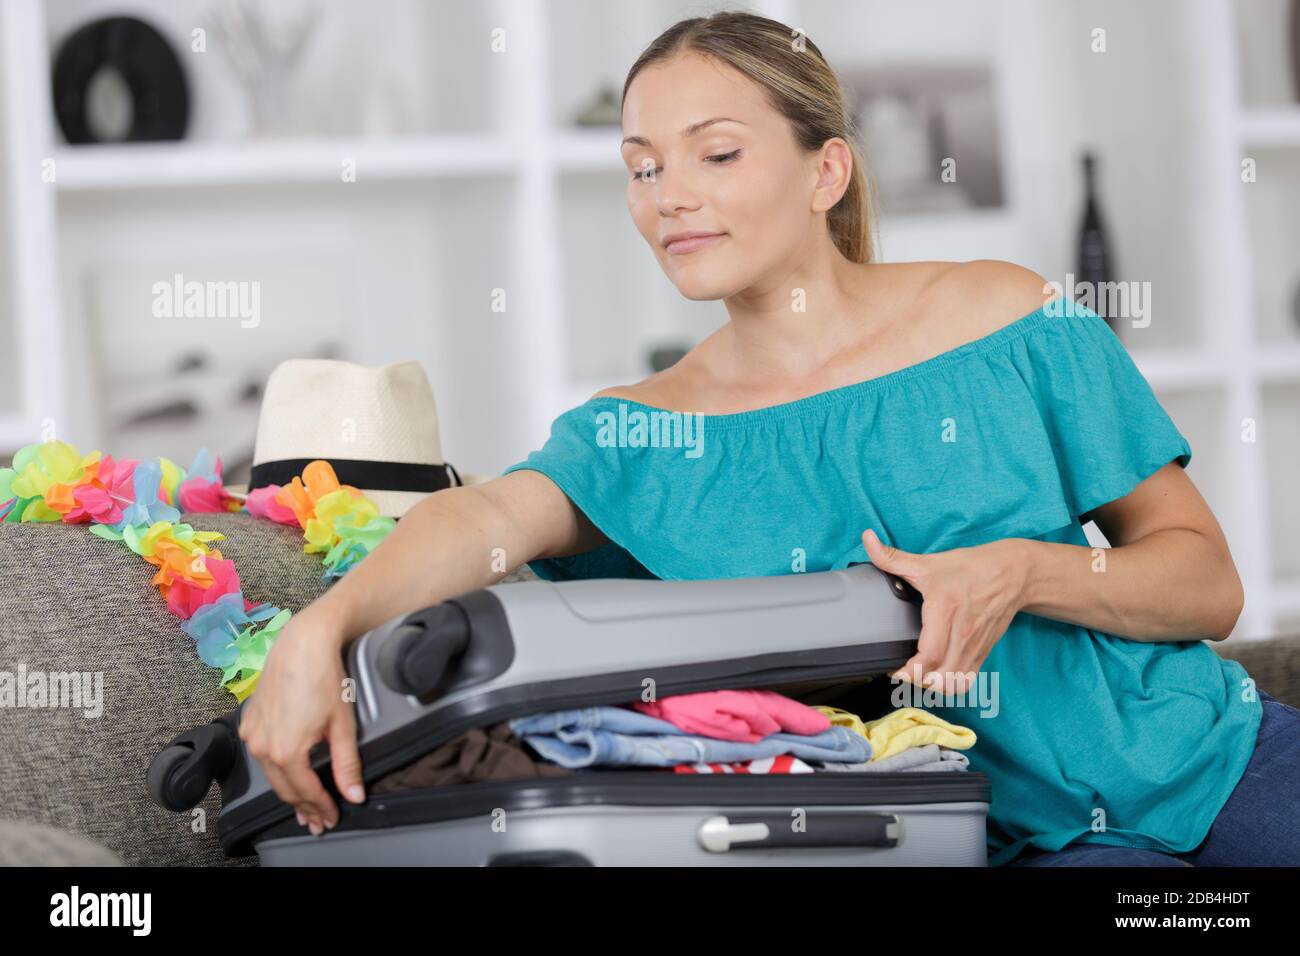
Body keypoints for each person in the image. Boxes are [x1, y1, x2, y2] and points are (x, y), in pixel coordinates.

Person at [237, 11, 1299, 865]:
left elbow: (1204, 583)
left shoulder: (1012, 315)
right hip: (1006, 836)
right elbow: (481, 516)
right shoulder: (638, 432)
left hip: (1221, 759)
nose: (669, 198)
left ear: (825, 172)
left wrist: (1020, 571)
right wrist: (318, 631)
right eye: (642, 166)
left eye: (716, 154)